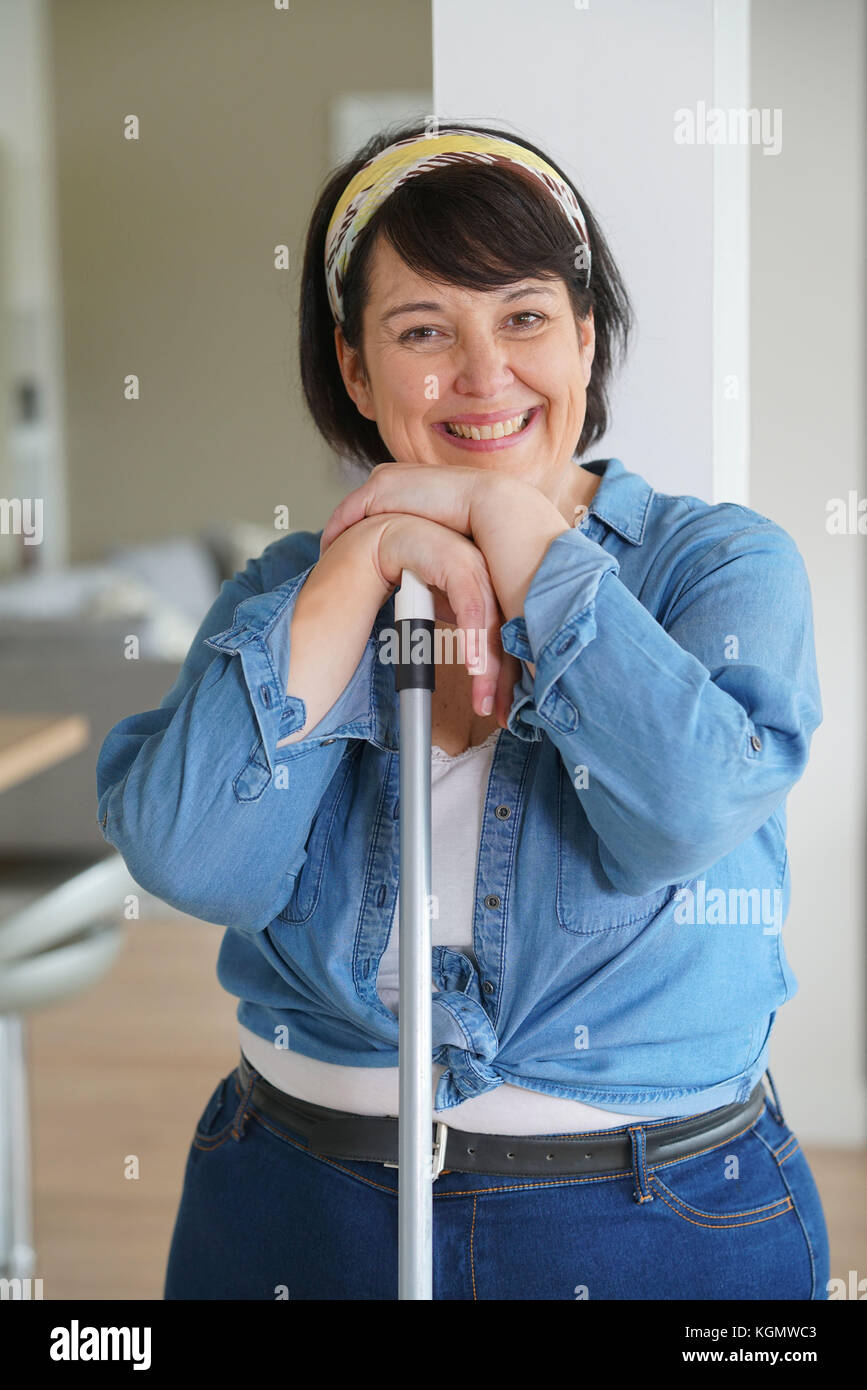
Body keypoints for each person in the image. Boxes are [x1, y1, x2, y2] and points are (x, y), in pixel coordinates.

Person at [96, 119, 830, 1301]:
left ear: (586, 342)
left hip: (654, 1222)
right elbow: (193, 859)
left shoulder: (717, 566)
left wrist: (527, 543)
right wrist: (365, 557)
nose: (484, 374)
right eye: (423, 331)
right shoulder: (288, 591)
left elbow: (682, 813)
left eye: (526, 318)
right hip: (293, 1209)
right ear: (354, 367)